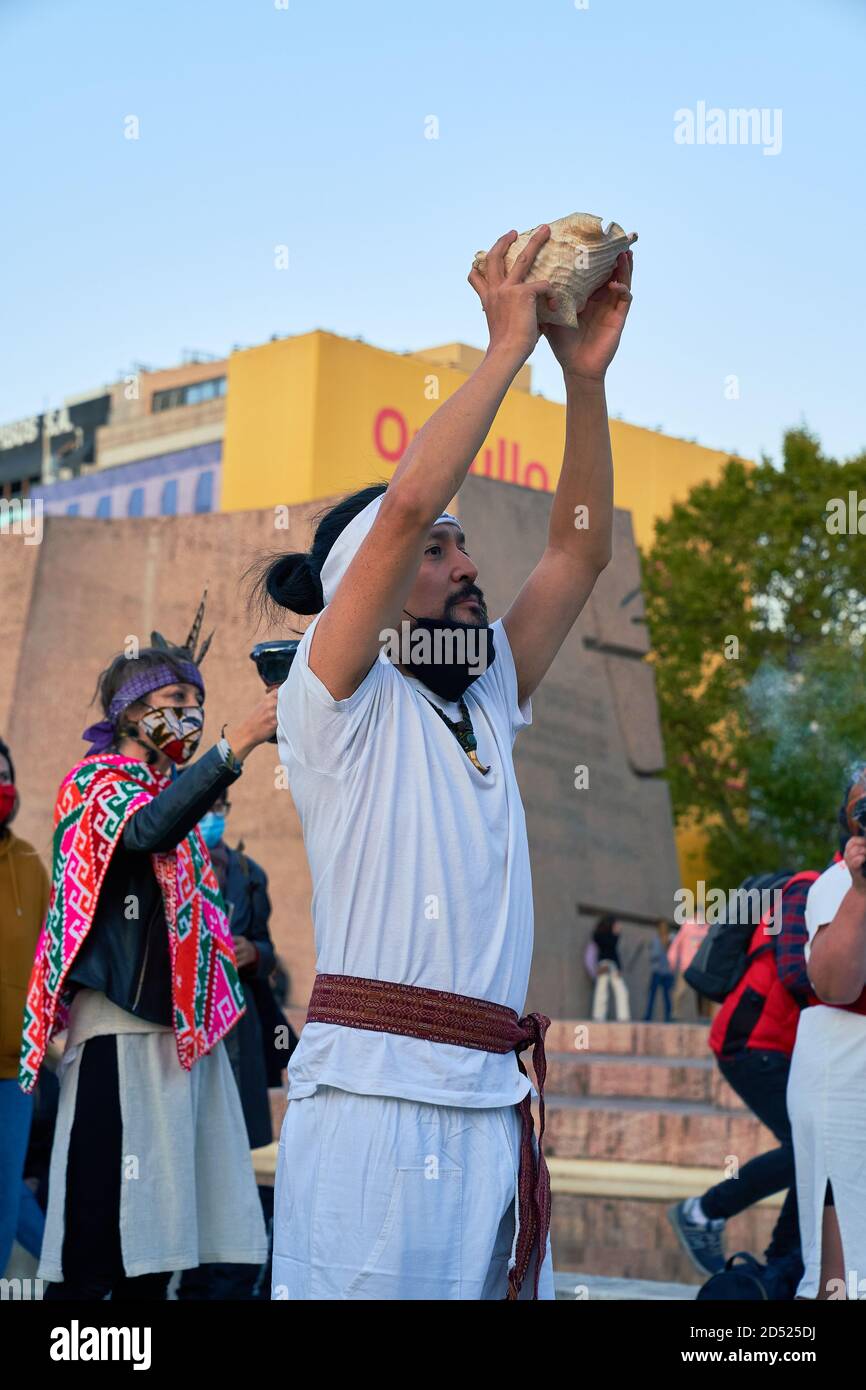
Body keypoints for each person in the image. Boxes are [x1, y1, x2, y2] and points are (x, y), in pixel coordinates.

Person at [254, 225, 635, 1299]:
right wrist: (506, 348)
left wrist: (582, 379)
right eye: (438, 551)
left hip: (488, 1103)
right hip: (372, 1111)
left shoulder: (487, 689)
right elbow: (405, 505)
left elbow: (576, 548)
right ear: (366, 589)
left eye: (465, 545)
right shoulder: (334, 699)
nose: (465, 563)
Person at [20, 600, 275, 1299]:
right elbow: (145, 834)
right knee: (98, 1230)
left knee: (165, 1232)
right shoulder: (95, 783)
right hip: (121, 1036)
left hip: (183, 1041)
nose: (189, 714)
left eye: (198, 702)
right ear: (131, 713)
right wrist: (235, 745)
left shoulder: (175, 800)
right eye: (173, 701)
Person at [668, 868, 817, 1284]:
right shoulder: (807, 888)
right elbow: (796, 974)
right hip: (750, 1041)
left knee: (812, 1151)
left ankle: (779, 1265)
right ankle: (703, 1211)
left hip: (772, 1044)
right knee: (808, 1148)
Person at [178, 791, 277, 1300]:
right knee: (186, 1157)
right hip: (184, 1032)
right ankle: (193, 1278)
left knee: (230, 1157)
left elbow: (267, 947)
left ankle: (230, 1278)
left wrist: (254, 952)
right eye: (208, 805)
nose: (216, 815)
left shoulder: (246, 871)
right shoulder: (170, 860)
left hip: (235, 1034)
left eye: (224, 806)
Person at [788, 786, 866, 1300]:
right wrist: (861, 892)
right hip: (844, 1074)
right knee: (845, 1274)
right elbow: (834, 986)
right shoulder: (835, 885)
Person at [0, 737, 49, 1277]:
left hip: (12, 1076)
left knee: (2, 1208)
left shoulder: (30, 865)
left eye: (4, 774)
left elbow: (52, 953)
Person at [669, 914, 711, 1019]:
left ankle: (703, 1015)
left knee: (702, 993)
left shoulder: (708, 927)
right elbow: (677, 943)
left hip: (700, 966)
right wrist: (672, 959)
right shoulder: (688, 925)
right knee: (680, 990)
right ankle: (674, 1013)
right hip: (686, 965)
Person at [591, 916, 631, 1022]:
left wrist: (619, 968)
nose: (618, 926)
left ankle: (623, 1017)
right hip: (603, 964)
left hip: (612, 965)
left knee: (621, 991)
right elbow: (605, 949)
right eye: (616, 924)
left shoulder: (613, 936)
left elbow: (614, 952)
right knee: (601, 992)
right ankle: (598, 1017)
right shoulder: (599, 935)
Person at [644, 920, 674, 1022]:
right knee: (652, 995)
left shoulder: (671, 938)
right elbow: (652, 956)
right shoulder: (655, 940)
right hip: (657, 971)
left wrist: (668, 945)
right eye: (661, 927)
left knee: (667, 996)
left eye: (664, 927)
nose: (663, 929)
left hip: (667, 972)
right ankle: (648, 1016)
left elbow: (673, 954)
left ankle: (668, 1017)